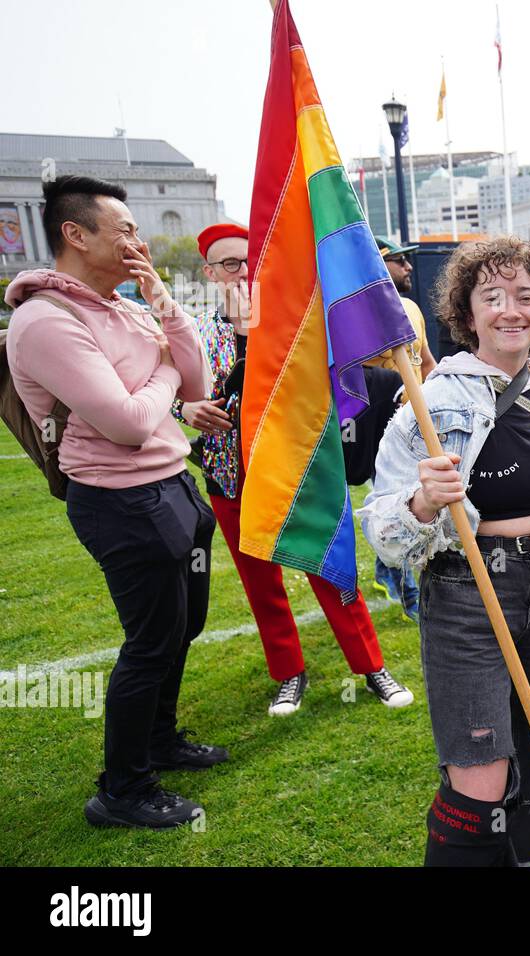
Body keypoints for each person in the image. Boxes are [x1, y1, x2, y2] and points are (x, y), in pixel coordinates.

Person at [361, 236, 530, 866]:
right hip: (468, 599)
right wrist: (423, 503)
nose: (511, 310)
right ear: (468, 313)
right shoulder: (429, 405)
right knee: (479, 785)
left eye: (525, 296)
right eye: (492, 297)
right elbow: (384, 538)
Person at [5, 175, 220, 829]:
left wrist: (161, 301)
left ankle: (160, 739)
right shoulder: (44, 321)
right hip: (121, 502)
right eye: (124, 229)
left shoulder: (123, 305)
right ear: (76, 235)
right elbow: (127, 421)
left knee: (184, 627)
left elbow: (197, 377)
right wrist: (163, 377)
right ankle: (121, 791)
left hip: (175, 486)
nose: (138, 240)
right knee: (151, 642)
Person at [177, 223, 414, 718]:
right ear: (208, 273)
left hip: (303, 467)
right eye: (229, 264)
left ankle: (371, 665)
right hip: (230, 472)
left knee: (335, 568)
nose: (242, 272)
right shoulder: (195, 332)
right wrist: (186, 410)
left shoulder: (296, 325)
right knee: (260, 579)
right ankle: (288, 672)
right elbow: (173, 388)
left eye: (249, 261)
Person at [367, 236, 436, 622]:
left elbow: (425, 361)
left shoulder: (411, 307)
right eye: (400, 260)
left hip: (417, 424)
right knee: (394, 504)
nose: (408, 267)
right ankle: (407, 591)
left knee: (416, 500)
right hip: (382, 429)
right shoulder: (361, 312)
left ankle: (385, 571)